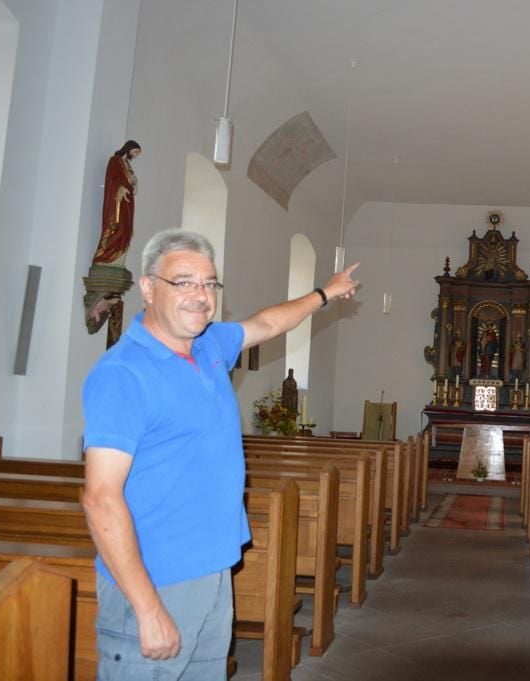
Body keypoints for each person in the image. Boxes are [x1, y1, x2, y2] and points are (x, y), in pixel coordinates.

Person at [81, 229, 358, 679]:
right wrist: (147, 607)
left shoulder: (209, 345)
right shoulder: (123, 374)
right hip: (157, 581)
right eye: (184, 282)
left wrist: (325, 293)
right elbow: (100, 498)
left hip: (212, 573)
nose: (201, 295)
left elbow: (269, 323)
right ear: (148, 288)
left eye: (209, 284)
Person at [94, 140, 142, 267]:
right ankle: (106, 258)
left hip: (128, 202)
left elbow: (131, 181)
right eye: (135, 152)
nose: (136, 155)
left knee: (126, 230)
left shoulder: (127, 165)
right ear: (129, 148)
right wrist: (120, 188)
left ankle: (118, 262)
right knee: (119, 227)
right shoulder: (115, 161)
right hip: (117, 201)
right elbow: (112, 179)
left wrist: (135, 183)